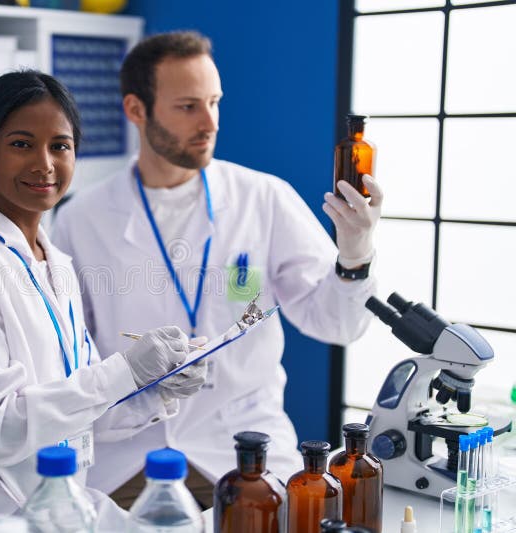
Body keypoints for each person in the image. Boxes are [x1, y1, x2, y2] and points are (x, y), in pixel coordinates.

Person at [51, 31, 383, 508]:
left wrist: (355, 252)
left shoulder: (264, 199)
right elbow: (66, 355)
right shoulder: (81, 218)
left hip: (242, 450)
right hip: (124, 457)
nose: (209, 122)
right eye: (188, 106)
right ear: (136, 109)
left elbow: (339, 323)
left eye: (214, 102)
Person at [0, 70, 207, 520]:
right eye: (21, 144)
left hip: (49, 501)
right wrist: (124, 372)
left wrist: (153, 387)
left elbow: (81, 407)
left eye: (60, 145)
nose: (45, 164)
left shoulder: (54, 262)